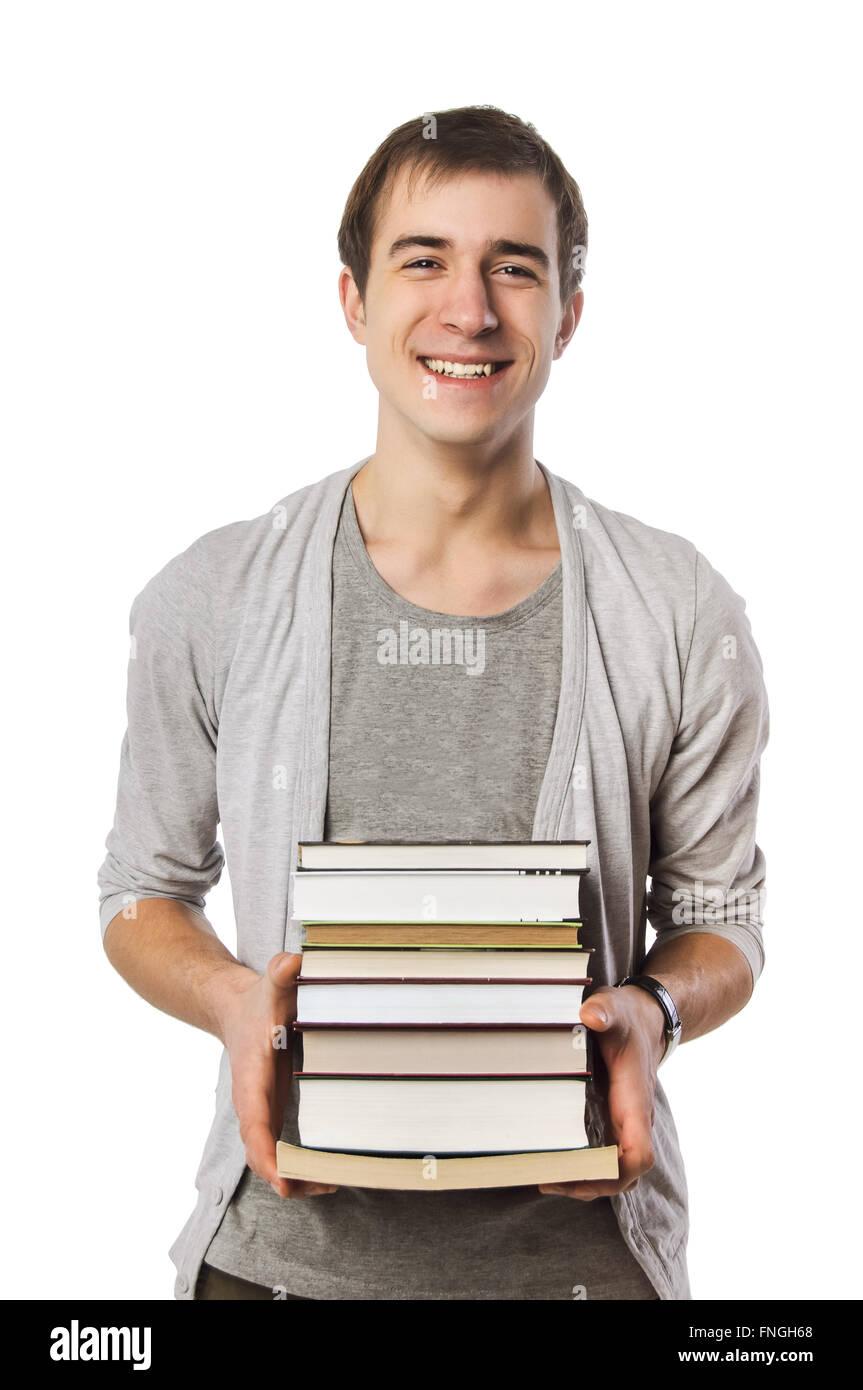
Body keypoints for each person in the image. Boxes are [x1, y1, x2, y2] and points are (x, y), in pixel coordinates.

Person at [98, 105, 768, 1301]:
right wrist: (233, 1001)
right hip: (276, 1270)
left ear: (566, 314)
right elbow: (142, 893)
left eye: (513, 268)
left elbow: (722, 922)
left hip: (582, 1273)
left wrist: (653, 1009)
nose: (468, 310)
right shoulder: (210, 597)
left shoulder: (678, 611)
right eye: (424, 260)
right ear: (352, 302)